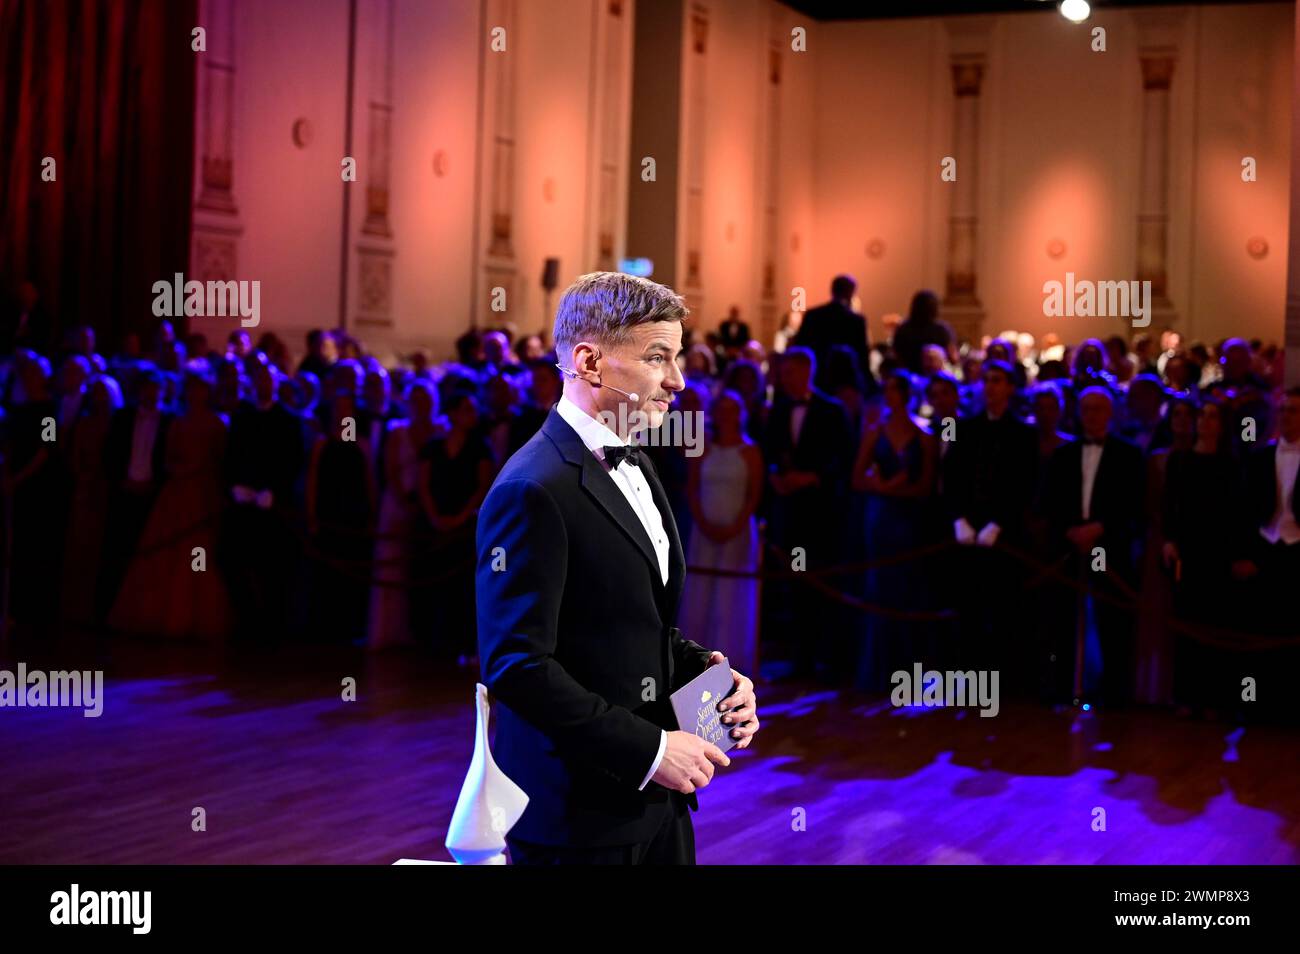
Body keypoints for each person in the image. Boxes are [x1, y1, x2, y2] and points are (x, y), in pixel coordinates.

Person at [476, 271, 760, 865]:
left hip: (660, 804)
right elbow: (517, 665)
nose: (678, 381)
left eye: (677, 357)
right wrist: (652, 750)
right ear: (590, 362)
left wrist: (709, 679)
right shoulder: (533, 487)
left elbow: (631, 619)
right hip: (576, 816)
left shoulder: (640, 462)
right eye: (659, 358)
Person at [109, 368, 231, 640]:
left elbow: (221, 460)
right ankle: (160, 613)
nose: (195, 394)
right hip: (175, 495)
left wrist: (197, 470)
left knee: (197, 552)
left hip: (202, 496)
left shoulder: (217, 423)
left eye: (200, 388)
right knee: (166, 552)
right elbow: (166, 458)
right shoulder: (177, 422)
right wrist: (177, 470)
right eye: (191, 388)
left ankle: (196, 613)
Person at [1042, 387, 1145, 707]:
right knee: (1063, 616)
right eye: (1086, 409)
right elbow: (1051, 501)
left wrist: (1099, 528)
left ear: (1111, 413)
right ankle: (1063, 687)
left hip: (1108, 545)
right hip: (1069, 544)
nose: (1092, 415)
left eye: (1099, 409)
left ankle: (1113, 692)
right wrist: (1071, 530)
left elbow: (1134, 505)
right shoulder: (1063, 454)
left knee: (1111, 616)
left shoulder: (1128, 455)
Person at [851, 371, 938, 691]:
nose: (888, 396)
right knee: (879, 589)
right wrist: (884, 486)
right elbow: (857, 478)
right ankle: (876, 671)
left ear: (906, 395)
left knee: (909, 589)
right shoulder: (876, 432)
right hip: (881, 518)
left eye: (893, 391)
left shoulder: (925, 435)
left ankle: (908, 673)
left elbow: (926, 487)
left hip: (910, 520)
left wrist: (894, 489)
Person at [679, 390, 763, 678]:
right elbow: (691, 488)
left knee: (731, 596)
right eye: (722, 409)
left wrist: (734, 527)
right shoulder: (702, 446)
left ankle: (733, 663)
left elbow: (754, 495)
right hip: (704, 529)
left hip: (736, 531)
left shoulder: (750, 451)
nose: (727, 415)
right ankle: (696, 663)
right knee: (700, 592)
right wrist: (703, 523)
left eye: (733, 409)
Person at [791, 275, 870, 392]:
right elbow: (862, 355)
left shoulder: (813, 315)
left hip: (817, 377)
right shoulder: (855, 321)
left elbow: (801, 346)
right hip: (845, 382)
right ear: (851, 293)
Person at [892, 290, 954, 375]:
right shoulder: (941, 330)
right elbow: (952, 357)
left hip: (908, 377)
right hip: (935, 380)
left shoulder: (903, 329)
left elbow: (896, 355)